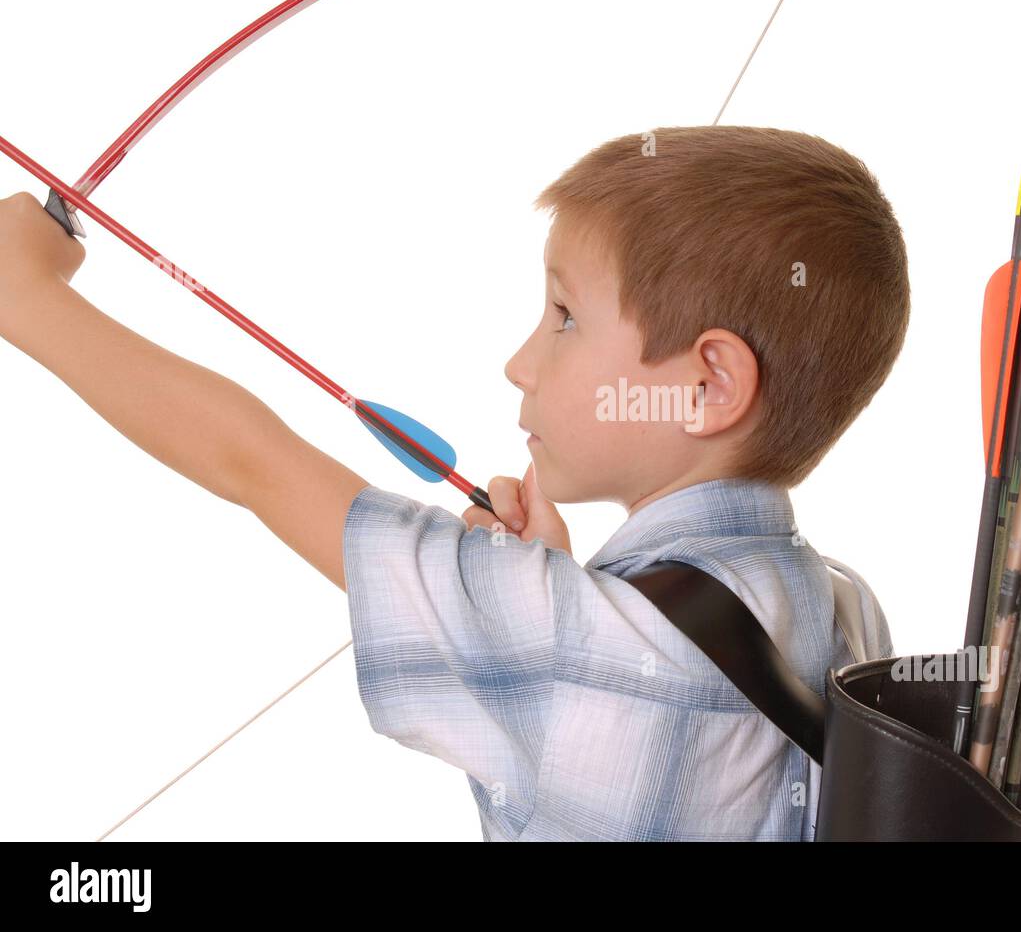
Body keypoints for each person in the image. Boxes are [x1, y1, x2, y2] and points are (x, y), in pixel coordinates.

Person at [0, 125, 909, 840]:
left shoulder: (570, 637)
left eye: (562, 316)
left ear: (707, 386)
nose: (519, 363)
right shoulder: (847, 612)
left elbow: (256, 465)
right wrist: (555, 584)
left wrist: (30, 301)